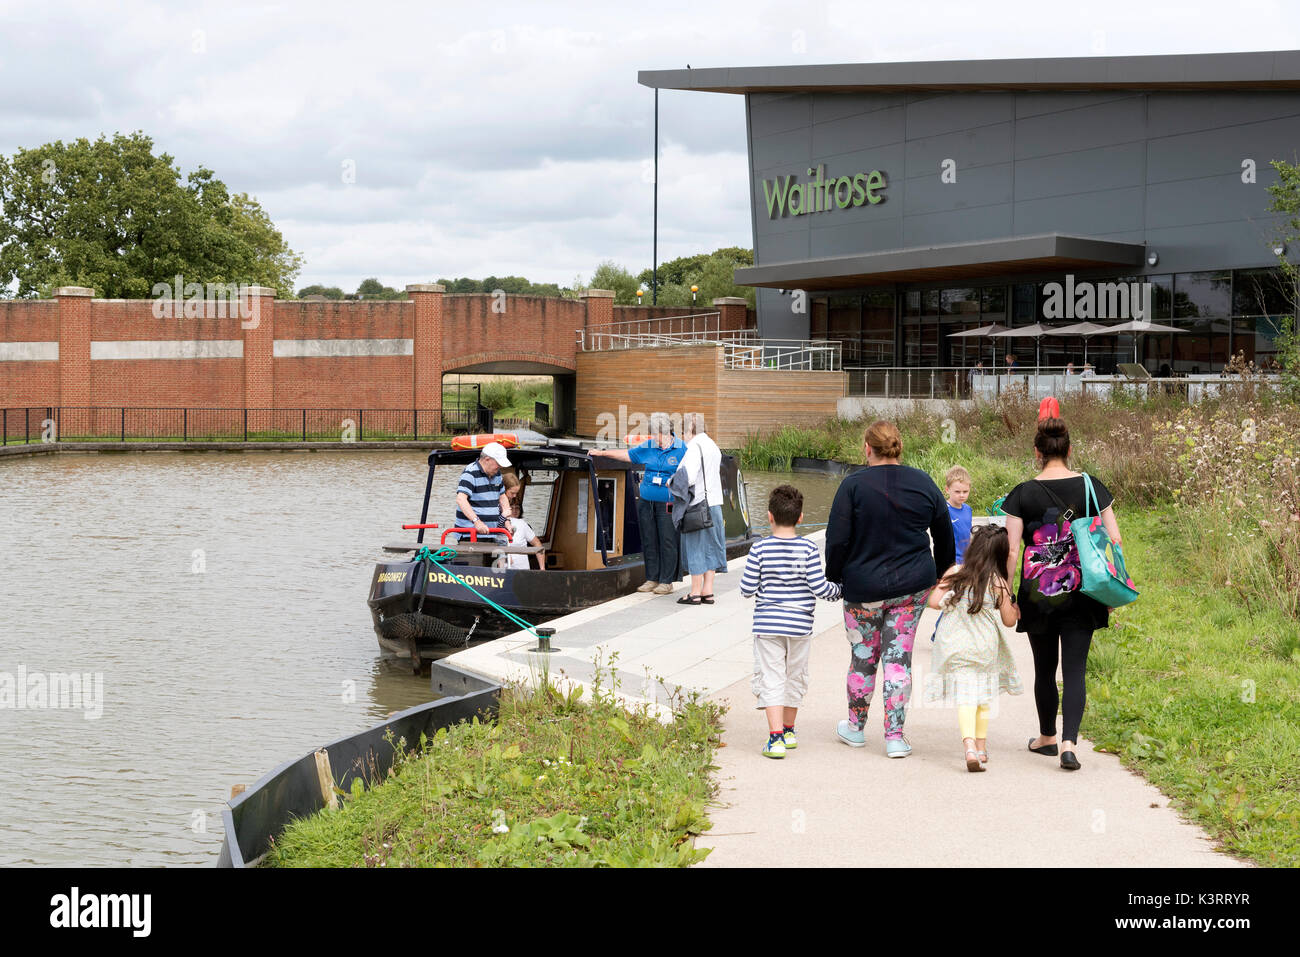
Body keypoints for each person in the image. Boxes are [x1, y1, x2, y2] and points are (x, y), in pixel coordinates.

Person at [825, 420, 956, 758]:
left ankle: (855, 728)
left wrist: (835, 577)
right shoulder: (923, 483)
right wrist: (940, 575)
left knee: (863, 657)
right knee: (899, 660)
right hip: (912, 587)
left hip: (863, 587)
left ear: (867, 449)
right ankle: (895, 737)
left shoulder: (852, 486)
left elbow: (837, 540)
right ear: (898, 447)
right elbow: (944, 535)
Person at [1002, 414, 1123, 772]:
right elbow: (1114, 539)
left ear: (1036, 453)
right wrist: (1110, 590)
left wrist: (1007, 594)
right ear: (1069, 450)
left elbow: (1011, 551)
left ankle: (1047, 738)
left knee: (1044, 668)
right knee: (1075, 670)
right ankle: (1070, 743)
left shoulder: (1022, 493)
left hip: (1038, 593)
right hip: (1084, 590)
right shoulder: (1091, 486)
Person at [740, 485, 841, 758]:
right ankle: (788, 730)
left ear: (769, 516)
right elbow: (821, 588)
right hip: (799, 626)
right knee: (795, 675)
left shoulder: (759, 549)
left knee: (772, 677)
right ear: (800, 518)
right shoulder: (808, 549)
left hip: (768, 625)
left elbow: (747, 588)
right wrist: (841, 590)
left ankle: (774, 740)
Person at [924, 525, 1023, 772]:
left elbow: (934, 602)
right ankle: (981, 747)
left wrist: (951, 600)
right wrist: (1014, 606)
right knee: (983, 696)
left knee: (966, 697)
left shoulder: (957, 571)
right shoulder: (998, 581)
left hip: (955, 644)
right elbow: (1009, 621)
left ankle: (968, 747)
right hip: (983, 645)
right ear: (1000, 554)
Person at [590, 412, 685, 595]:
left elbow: (690, 473)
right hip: (646, 500)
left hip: (668, 502)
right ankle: (652, 578)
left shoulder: (682, 449)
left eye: (658, 434)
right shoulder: (649, 445)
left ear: (668, 432)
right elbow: (628, 455)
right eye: (653, 434)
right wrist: (602, 453)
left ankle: (667, 581)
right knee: (649, 539)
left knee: (667, 540)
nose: (655, 438)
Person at [673, 412, 727, 605]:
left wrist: (671, 482)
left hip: (698, 505)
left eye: (683, 431)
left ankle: (694, 593)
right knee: (711, 547)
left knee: (695, 547)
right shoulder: (713, 446)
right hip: (714, 505)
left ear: (690, 429)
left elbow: (688, 478)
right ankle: (708, 591)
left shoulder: (695, 447)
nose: (682, 436)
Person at [453, 441, 512, 544]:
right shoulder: (470, 473)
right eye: (498, 463)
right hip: (471, 534)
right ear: (487, 459)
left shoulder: (497, 474)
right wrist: (477, 522)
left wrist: (507, 520)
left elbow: (502, 497)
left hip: (492, 533)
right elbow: (461, 499)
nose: (500, 467)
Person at [497, 485, 545, 572]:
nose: (515, 511)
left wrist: (542, 568)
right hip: (504, 570)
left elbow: (537, 543)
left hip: (522, 570)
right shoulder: (497, 523)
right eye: (512, 508)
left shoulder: (522, 524)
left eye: (517, 508)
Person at [945, 465, 973, 565]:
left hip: (967, 559)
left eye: (965, 491)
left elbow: (968, 533)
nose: (962, 495)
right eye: (957, 492)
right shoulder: (944, 510)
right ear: (947, 490)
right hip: (951, 561)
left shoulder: (968, 509)